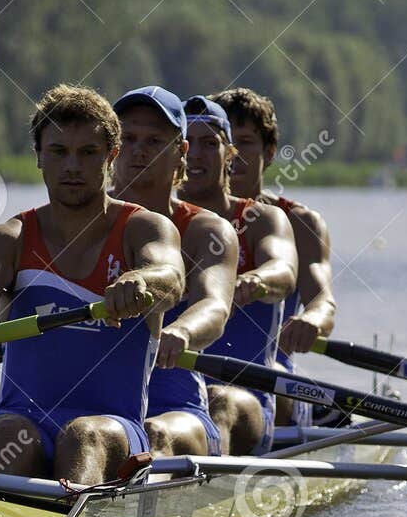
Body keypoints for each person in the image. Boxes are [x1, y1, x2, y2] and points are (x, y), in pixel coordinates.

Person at [0, 84, 184, 485]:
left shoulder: (143, 228)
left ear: (111, 157)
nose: (72, 166)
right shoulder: (8, 238)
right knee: (5, 434)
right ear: (39, 156)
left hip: (113, 430)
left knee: (82, 435)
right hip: (20, 425)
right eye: (58, 152)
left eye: (88, 153)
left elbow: (170, 277)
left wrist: (138, 280)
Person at [110, 84, 238, 457]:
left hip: (177, 409)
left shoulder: (207, 231)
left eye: (153, 140)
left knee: (152, 433)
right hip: (91, 408)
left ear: (180, 152)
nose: (139, 151)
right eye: (129, 138)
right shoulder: (78, 224)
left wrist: (181, 330)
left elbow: (215, 307)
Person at [176, 95, 297, 454]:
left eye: (209, 144)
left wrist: (258, 280)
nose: (195, 155)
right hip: (170, 398)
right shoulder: (155, 224)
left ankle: (197, 492)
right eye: (188, 144)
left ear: (229, 156)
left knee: (218, 401)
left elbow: (285, 270)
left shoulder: (263, 219)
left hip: (246, 398)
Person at [213, 87, 336, 428]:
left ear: (269, 153)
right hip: (187, 374)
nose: (233, 154)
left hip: (269, 378)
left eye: (246, 142)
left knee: (257, 379)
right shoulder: (175, 220)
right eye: (224, 141)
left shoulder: (301, 224)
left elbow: (323, 302)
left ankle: (319, 414)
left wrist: (312, 321)